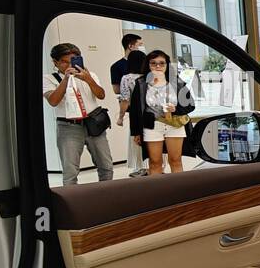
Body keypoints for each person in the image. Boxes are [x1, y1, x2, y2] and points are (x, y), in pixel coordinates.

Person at [43, 43, 113, 186]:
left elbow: (101, 95)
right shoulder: (49, 78)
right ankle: (71, 202)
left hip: (94, 123)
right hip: (68, 126)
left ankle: (105, 198)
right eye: (64, 61)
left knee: (106, 166)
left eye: (73, 60)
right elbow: (53, 101)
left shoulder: (90, 75)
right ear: (55, 62)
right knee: (70, 172)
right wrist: (66, 79)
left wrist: (88, 79)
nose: (69, 64)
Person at [128, 49, 192, 175]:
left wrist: (176, 109)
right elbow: (135, 109)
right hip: (152, 125)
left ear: (167, 65)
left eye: (162, 63)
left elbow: (190, 104)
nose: (158, 66)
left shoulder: (176, 82)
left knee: (175, 160)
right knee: (155, 162)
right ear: (148, 65)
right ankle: (157, 192)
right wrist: (135, 132)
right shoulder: (141, 83)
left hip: (175, 124)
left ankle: (179, 190)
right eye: (153, 63)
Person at [115, 49, 149, 177]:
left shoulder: (126, 78)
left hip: (136, 115)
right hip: (153, 115)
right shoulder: (150, 76)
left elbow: (125, 100)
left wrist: (120, 117)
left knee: (137, 140)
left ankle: (141, 168)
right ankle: (155, 165)